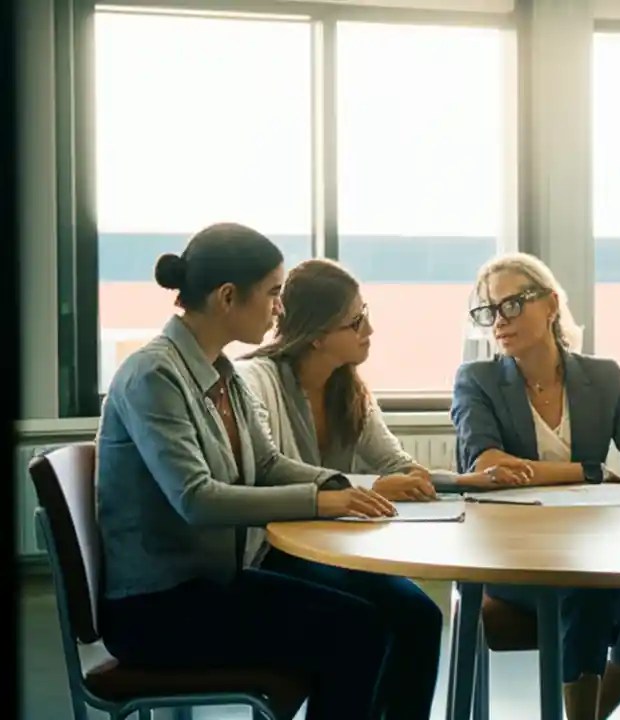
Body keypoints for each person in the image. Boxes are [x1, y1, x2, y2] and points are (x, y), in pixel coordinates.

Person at [96, 223, 398, 720]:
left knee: (375, 618)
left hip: (210, 584)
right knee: (355, 630)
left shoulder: (223, 370)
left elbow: (267, 464)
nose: (280, 309)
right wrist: (321, 502)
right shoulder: (153, 374)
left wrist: (336, 486)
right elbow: (196, 499)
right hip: (156, 608)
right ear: (228, 297)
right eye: (273, 293)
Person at [236, 258, 526, 720]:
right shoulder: (254, 382)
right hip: (276, 553)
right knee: (365, 622)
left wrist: (465, 481)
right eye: (355, 321)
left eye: (365, 312)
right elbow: (270, 470)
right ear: (316, 333)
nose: (369, 328)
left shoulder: (347, 389)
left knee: (421, 616)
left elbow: (395, 466)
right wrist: (370, 486)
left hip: (336, 549)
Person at [451, 252, 620, 720]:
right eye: (488, 311)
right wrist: (587, 471)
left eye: (511, 305)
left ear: (550, 303)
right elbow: (489, 466)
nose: (498, 322)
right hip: (509, 554)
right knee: (582, 593)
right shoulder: (476, 380)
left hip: (593, 550)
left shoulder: (602, 377)